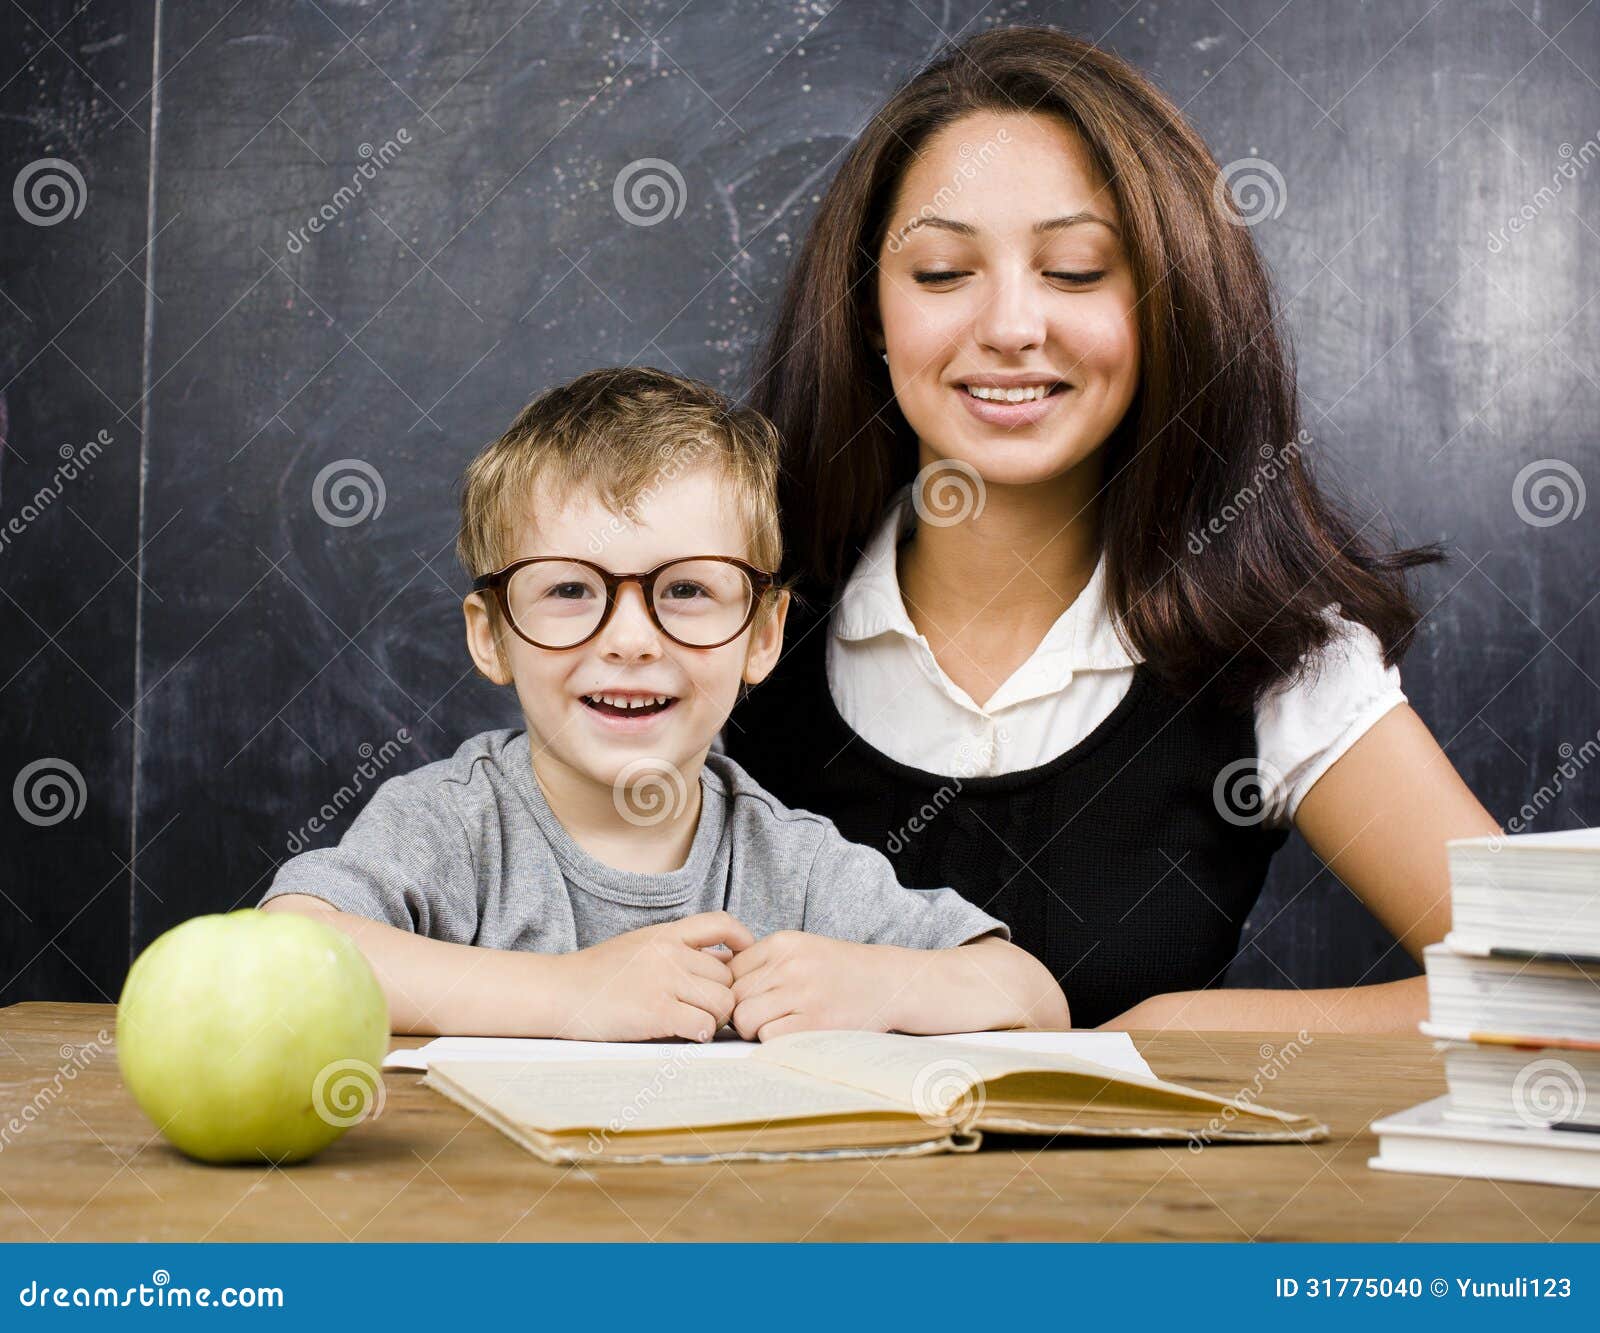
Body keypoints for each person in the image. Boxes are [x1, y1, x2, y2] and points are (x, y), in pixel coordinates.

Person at [722, 26, 1501, 1032]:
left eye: (1078, 271)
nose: (1008, 326)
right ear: (871, 311)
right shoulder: (728, 615)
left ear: (1163, 304)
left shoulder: (1267, 653)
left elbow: (1565, 989)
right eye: (942, 273)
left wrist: (1172, 1034)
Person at [260, 367, 1069, 1041]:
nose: (632, 639)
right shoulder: (453, 825)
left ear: (762, 632)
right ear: (493, 634)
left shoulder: (788, 863)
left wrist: (880, 985)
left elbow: (1033, 997)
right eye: (571, 588)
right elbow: (288, 953)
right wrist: (571, 995)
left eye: (685, 589)